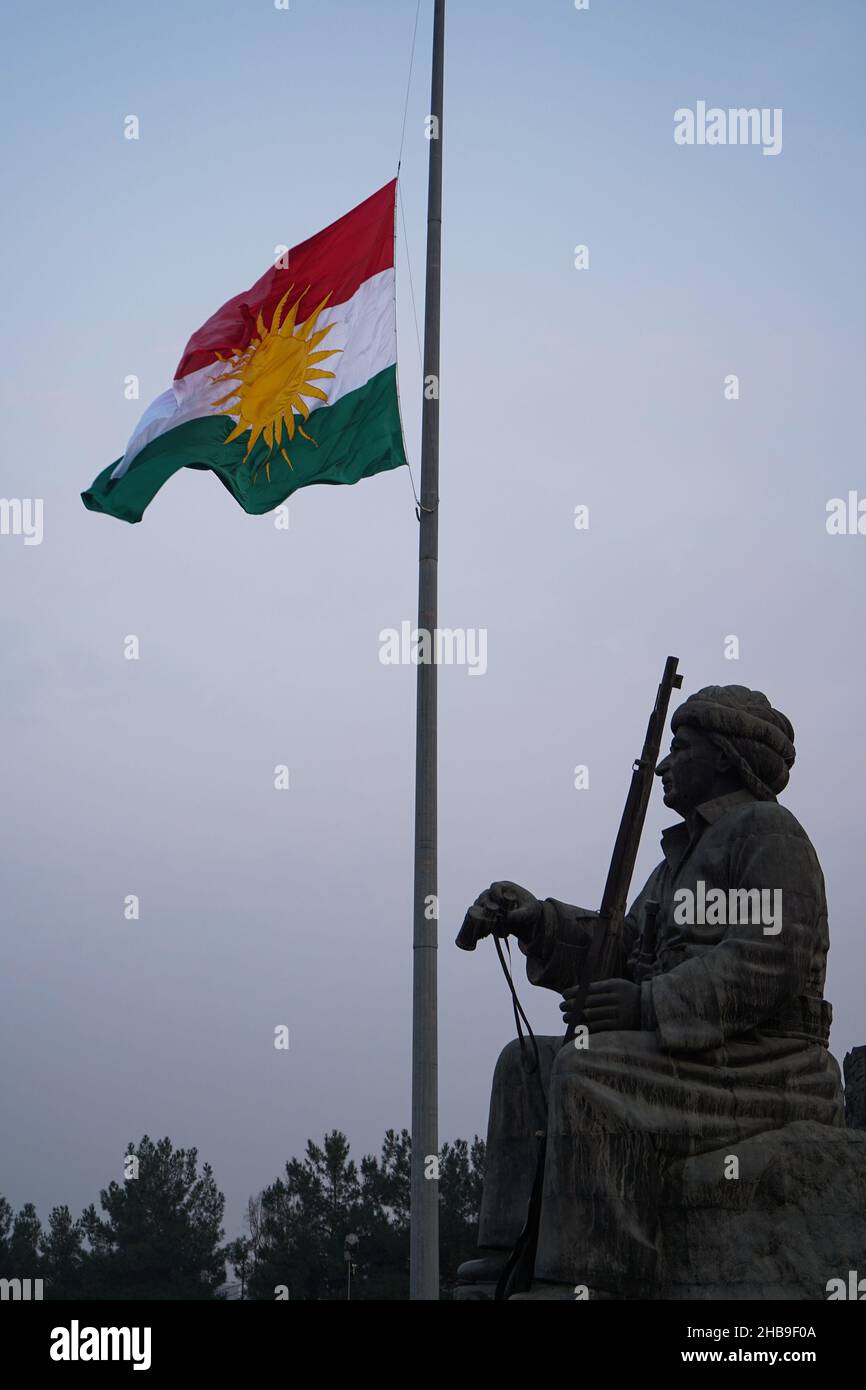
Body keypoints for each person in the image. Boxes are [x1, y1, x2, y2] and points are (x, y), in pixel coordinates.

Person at [458, 685, 844, 1298]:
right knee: (525, 1063)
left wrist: (647, 1005)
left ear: (722, 756)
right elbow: (622, 945)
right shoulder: (674, 864)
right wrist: (536, 919)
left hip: (769, 1063)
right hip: (695, 1057)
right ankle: (511, 1254)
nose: (664, 764)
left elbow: (771, 959)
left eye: (681, 748)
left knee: (587, 1070)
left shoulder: (769, 833)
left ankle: (590, 1277)